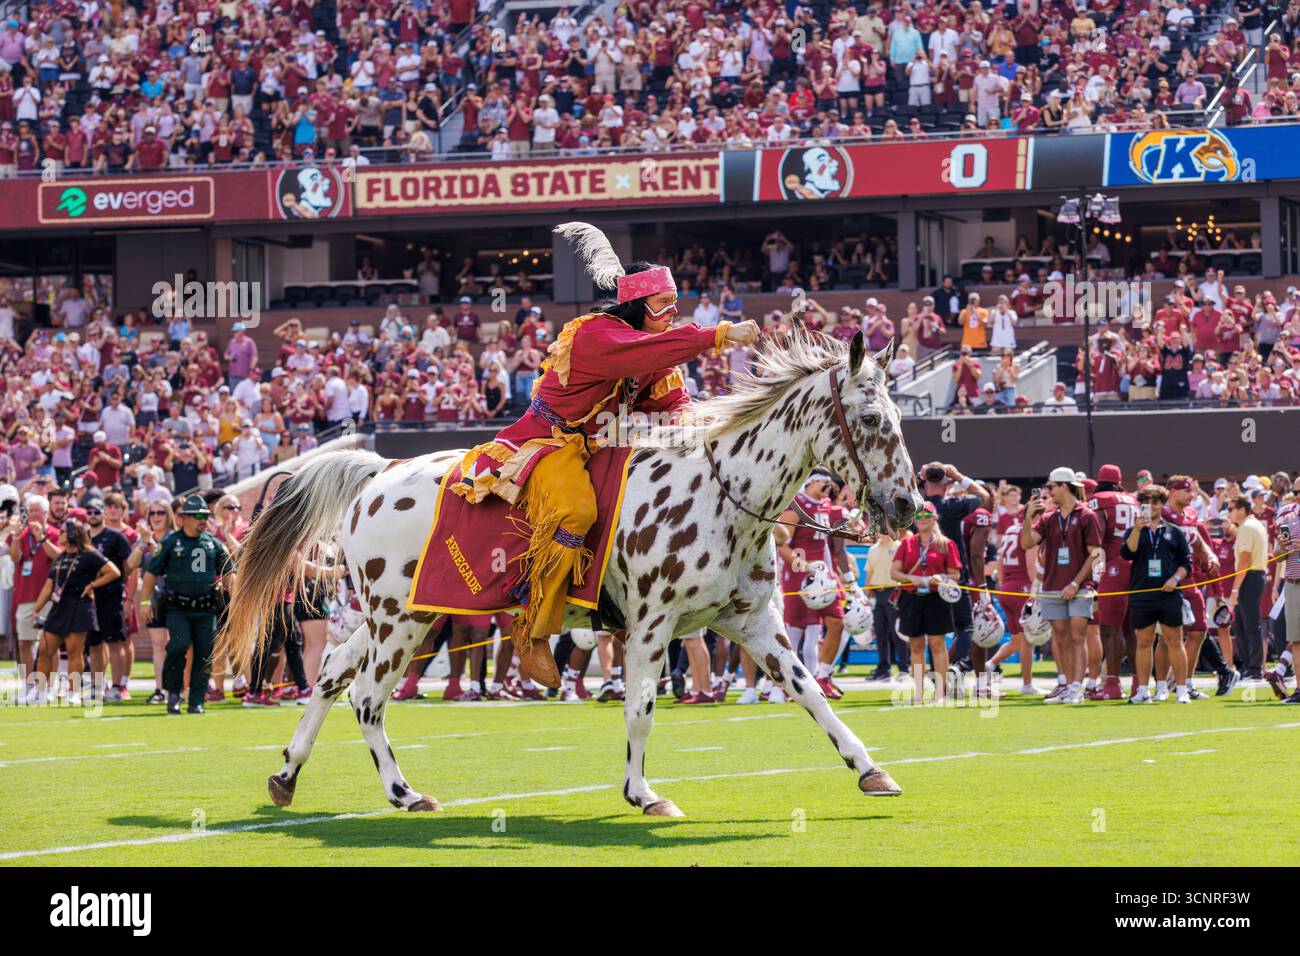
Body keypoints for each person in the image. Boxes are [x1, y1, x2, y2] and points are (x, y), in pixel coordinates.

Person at [448, 223, 759, 686]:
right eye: (661, 306)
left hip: (603, 446)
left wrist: (696, 424)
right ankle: (532, 628)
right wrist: (721, 334)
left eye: (674, 306)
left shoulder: (648, 346)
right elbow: (651, 350)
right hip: (550, 442)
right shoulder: (597, 334)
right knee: (575, 511)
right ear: (635, 306)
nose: (670, 315)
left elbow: (671, 401)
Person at [140, 495, 236, 715]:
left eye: (204, 515)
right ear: (183, 518)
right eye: (197, 516)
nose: (202, 520)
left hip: (206, 609)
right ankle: (173, 693)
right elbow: (151, 574)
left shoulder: (213, 543)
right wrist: (145, 601)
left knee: (204, 653)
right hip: (178, 608)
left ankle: (197, 699)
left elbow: (229, 573)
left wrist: (237, 600)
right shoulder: (171, 542)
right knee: (177, 646)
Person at [1020, 466, 1104, 705]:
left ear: (1064, 486)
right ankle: (1068, 685)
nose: (1048, 491)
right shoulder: (1048, 517)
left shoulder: (1087, 515)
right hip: (1052, 586)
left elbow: (1096, 553)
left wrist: (1076, 582)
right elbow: (1027, 543)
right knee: (1061, 638)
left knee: (1078, 635)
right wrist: (1028, 517)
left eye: (1051, 486)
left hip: (1080, 586)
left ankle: (1078, 687)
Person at [31, 518, 121, 707]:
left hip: (80, 606)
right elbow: (49, 586)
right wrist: (37, 608)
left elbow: (113, 571)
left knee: (74, 651)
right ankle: (41, 691)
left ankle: (73, 692)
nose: (60, 535)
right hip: (59, 607)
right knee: (45, 650)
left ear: (73, 534)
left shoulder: (90, 555)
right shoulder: (61, 556)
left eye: (63, 531)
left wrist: (92, 585)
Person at [1122, 484, 1193, 703]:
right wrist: (1136, 528)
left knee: (1174, 641)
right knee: (1143, 642)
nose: (1150, 507)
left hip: (1169, 594)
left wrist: (1175, 579)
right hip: (1142, 593)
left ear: (1162, 504)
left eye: (1155, 502)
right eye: (1146, 503)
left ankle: (1181, 689)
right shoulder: (1133, 529)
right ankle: (1143, 690)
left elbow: (1186, 563)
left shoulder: (1174, 531)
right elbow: (1127, 553)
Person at [892, 505, 963, 704]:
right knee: (915, 646)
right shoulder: (907, 543)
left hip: (936, 598)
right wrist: (910, 578)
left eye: (927, 515)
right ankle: (919, 692)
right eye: (919, 515)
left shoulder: (945, 544)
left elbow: (955, 575)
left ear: (934, 518)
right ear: (914, 520)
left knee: (937, 644)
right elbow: (894, 572)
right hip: (912, 597)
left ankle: (941, 692)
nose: (923, 518)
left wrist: (939, 577)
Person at [1086, 464, 1139, 700]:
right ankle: (1140, 684)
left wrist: (1096, 571)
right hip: (1136, 566)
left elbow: (1096, 536)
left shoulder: (1099, 500)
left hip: (1114, 565)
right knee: (1132, 629)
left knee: (1110, 628)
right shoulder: (1133, 500)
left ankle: (1112, 685)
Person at [10, 494, 60, 702]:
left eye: (37, 510)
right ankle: (29, 686)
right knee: (24, 643)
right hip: (25, 595)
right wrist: (14, 538)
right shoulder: (22, 536)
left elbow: (58, 555)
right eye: (31, 511)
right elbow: (15, 558)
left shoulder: (55, 533)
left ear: (46, 513)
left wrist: (42, 538)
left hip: (48, 596)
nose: (34, 515)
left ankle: (48, 686)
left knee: (49, 644)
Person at [84, 496, 132, 702]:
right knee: (94, 645)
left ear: (103, 512)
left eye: (97, 511)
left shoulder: (115, 537)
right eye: (89, 512)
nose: (93, 515)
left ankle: (117, 686)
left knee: (114, 643)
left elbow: (128, 566)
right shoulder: (83, 538)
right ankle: (97, 687)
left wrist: (126, 593)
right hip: (89, 599)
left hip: (111, 597)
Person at [1227, 494, 1269, 681]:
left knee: (1249, 624)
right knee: (1242, 624)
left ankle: (1254, 668)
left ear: (1241, 510)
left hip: (1250, 578)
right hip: (1255, 577)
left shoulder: (1247, 528)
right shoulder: (1255, 524)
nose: (1229, 513)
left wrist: (1234, 591)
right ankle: (1249, 666)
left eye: (1231, 509)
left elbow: (1244, 561)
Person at [1265, 491, 1300, 703]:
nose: (1297, 496)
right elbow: (1279, 557)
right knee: (1296, 640)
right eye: (1296, 492)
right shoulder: (1287, 519)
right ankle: (1299, 691)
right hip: (1293, 582)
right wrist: (1281, 548)